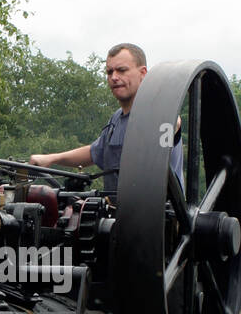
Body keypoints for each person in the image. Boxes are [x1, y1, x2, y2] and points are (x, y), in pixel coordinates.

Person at [30, 44, 183, 199]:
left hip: (155, 218)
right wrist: (51, 159)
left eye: (122, 70)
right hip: (117, 215)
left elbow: (173, 125)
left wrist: (169, 121)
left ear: (143, 73)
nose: (114, 77)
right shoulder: (116, 120)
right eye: (110, 72)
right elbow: (94, 152)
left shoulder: (159, 112)